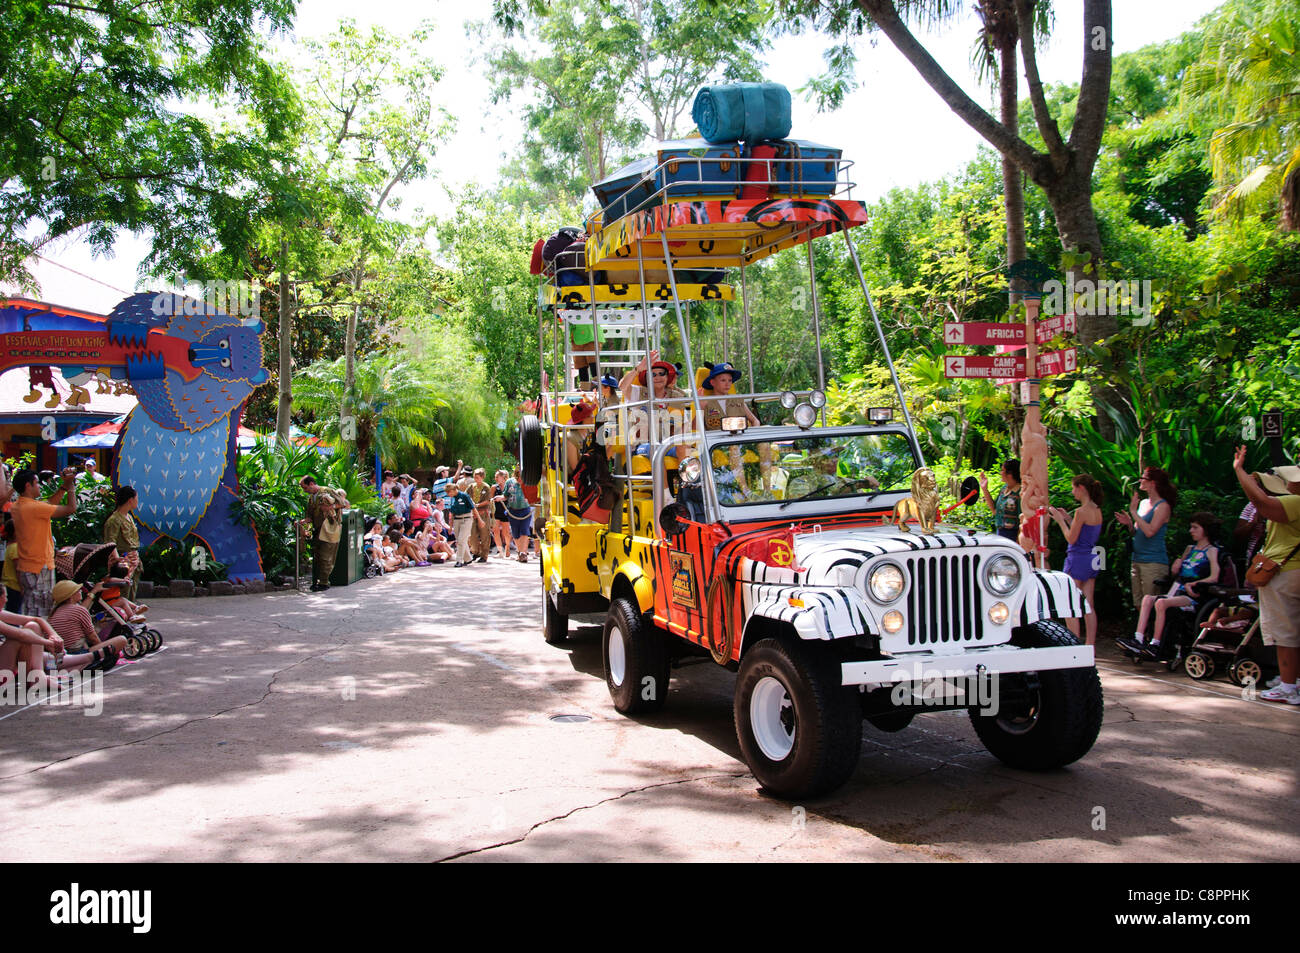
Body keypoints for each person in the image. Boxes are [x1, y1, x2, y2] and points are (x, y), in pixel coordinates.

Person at [1232, 448, 1300, 703]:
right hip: (1293, 571)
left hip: (1286, 572)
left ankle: (1289, 687)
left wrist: (1239, 470)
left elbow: (1261, 502)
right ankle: (1293, 680)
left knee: (1286, 634)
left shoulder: (1294, 502)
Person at [1120, 512, 1221, 659]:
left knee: (1161, 603)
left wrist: (1195, 583)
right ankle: (1138, 639)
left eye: (1195, 528)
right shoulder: (1189, 549)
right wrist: (1175, 568)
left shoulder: (1211, 550)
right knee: (1147, 598)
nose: (1190, 531)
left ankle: (1155, 644)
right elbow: (1177, 573)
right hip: (1178, 589)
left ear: (1205, 530)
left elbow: (1215, 576)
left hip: (1193, 594)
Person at [12, 467, 77, 617]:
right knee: (40, 612)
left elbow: (48, 504)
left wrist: (63, 487)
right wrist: (71, 486)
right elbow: (71, 508)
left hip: (28, 565)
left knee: (31, 606)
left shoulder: (19, 505)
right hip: (39, 566)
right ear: (28, 486)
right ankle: (36, 640)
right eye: (36, 483)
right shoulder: (34, 507)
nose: (39, 485)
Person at [1049, 474, 1105, 645]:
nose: (1073, 492)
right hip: (1091, 557)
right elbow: (1085, 535)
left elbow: (1071, 538)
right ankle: (1090, 644)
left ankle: (1073, 643)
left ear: (1081, 488)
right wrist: (1069, 519)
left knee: (1069, 602)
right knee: (1089, 604)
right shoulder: (1096, 509)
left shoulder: (1082, 511)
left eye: (1074, 488)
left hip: (1077, 558)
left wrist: (1060, 521)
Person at [1115, 465, 1177, 608]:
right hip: (1137, 559)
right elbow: (1138, 532)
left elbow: (1150, 531)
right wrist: (1130, 524)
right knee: (1138, 603)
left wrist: (1133, 512)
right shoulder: (1143, 503)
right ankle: (1143, 630)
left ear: (1152, 483)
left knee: (1150, 604)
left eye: (1143, 478)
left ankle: (1152, 630)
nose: (1140, 480)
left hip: (1153, 562)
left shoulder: (1163, 506)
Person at [47, 579, 128, 671]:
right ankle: (87, 663)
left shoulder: (53, 614)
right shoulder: (79, 610)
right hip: (78, 654)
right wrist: (103, 651)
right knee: (122, 640)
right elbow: (93, 638)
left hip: (62, 656)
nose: (80, 591)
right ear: (70, 596)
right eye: (77, 590)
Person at [301, 476, 347, 593]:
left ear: (311, 484)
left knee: (326, 557)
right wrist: (304, 521)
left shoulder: (327, 491)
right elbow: (310, 516)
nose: (304, 490)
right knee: (317, 557)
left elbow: (342, 503)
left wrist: (331, 507)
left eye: (305, 487)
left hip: (329, 529)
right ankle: (317, 581)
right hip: (317, 530)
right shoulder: (311, 498)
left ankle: (324, 582)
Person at [102, 485, 142, 599]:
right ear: (130, 500)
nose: (137, 502)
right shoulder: (114, 519)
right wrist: (118, 559)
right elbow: (110, 542)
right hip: (122, 559)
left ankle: (131, 611)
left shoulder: (128, 517)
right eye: (136, 499)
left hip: (133, 557)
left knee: (132, 589)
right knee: (122, 590)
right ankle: (121, 613)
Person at [978, 459, 1022, 543]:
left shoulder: (1020, 493)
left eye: (1002, 470)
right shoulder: (1004, 489)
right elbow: (995, 511)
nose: (1000, 473)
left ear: (1010, 474)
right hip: (1000, 533)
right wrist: (985, 489)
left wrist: (1018, 542)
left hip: (1012, 536)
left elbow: (1022, 521)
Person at [504, 467, 533, 563]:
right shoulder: (509, 482)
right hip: (513, 510)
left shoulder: (529, 482)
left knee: (524, 530)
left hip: (525, 510)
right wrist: (498, 498)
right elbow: (505, 495)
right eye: (518, 476)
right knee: (515, 533)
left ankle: (523, 553)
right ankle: (520, 552)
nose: (520, 478)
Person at [446, 479, 476, 568]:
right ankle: (468, 558)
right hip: (457, 520)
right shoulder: (452, 499)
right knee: (461, 540)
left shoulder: (464, 496)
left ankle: (459, 560)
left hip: (466, 519)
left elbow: (473, 508)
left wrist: (480, 520)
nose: (448, 495)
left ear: (453, 490)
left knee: (461, 540)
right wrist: (450, 527)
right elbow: (452, 514)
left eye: (449, 492)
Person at [468, 468, 494, 562]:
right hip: (473, 514)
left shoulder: (486, 487)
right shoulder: (471, 486)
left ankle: (484, 555)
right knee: (472, 535)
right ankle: (475, 552)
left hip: (483, 513)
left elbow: (488, 500)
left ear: (482, 477)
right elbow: (466, 496)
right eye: (475, 477)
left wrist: (478, 505)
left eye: (478, 477)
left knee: (484, 535)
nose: (476, 479)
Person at [491, 470, 513, 560]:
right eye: (495, 477)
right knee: (496, 531)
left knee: (506, 532)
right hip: (496, 511)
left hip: (506, 511)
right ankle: (500, 551)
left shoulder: (509, 487)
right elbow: (490, 498)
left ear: (503, 477)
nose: (496, 479)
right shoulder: (494, 487)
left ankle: (507, 547)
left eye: (497, 477)